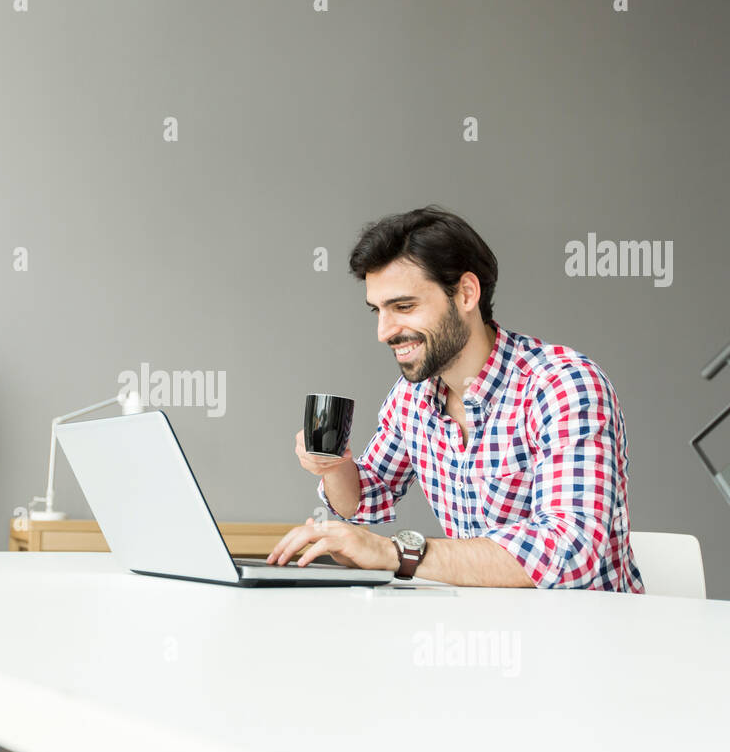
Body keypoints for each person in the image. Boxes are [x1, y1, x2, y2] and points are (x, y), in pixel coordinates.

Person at [267, 205, 646, 592]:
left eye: (404, 306)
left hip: (585, 641)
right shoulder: (411, 398)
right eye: (377, 311)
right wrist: (333, 467)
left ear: (466, 293)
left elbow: (569, 552)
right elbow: (366, 495)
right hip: (480, 635)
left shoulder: (562, 385)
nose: (384, 331)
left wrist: (396, 553)